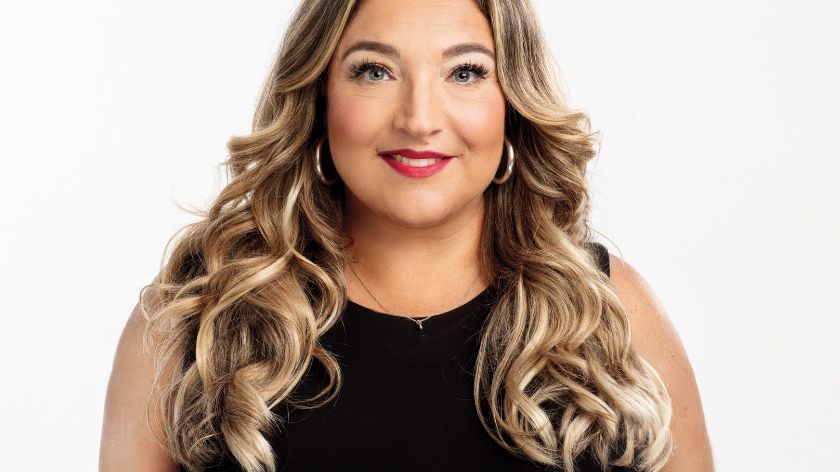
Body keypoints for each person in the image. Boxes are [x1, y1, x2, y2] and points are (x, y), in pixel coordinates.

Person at [100, 0, 714, 471]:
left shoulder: (610, 312)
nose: (419, 119)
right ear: (318, 96)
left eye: (466, 72)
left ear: (512, 103)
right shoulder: (195, 320)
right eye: (375, 71)